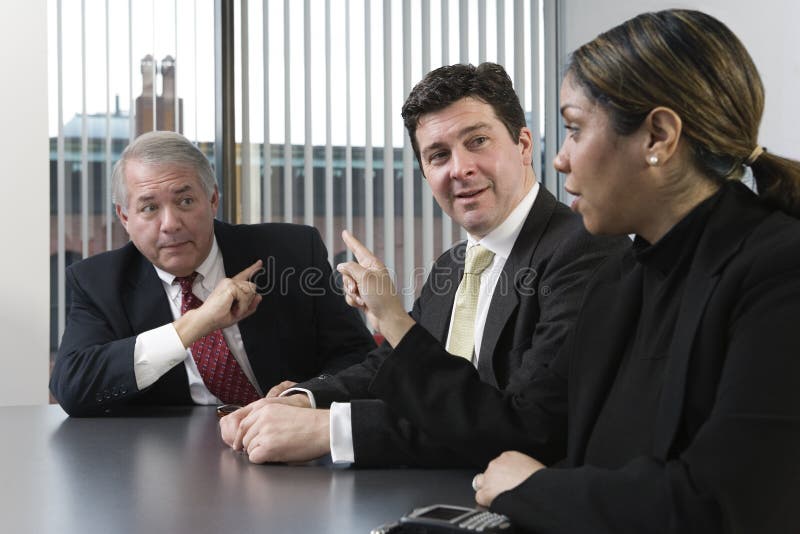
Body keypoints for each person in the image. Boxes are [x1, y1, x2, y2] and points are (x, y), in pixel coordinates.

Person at [336, 9, 800, 532]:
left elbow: (719, 506)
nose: (560, 159)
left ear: (658, 137)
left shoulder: (779, 273)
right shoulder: (621, 282)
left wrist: (534, 490)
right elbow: (543, 436)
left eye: (575, 129)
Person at [219, 63, 629, 466]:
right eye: (438, 155)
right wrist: (303, 400)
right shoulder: (453, 264)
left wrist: (331, 429)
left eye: (478, 141)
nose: (460, 169)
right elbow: (398, 364)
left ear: (523, 145)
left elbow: (527, 426)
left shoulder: (585, 249)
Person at [50, 131, 375, 417]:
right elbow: (73, 386)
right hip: (172, 453)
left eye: (185, 201)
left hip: (292, 442)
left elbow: (358, 357)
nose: (170, 224)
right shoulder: (99, 282)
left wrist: (307, 395)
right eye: (149, 208)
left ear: (213, 199)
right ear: (124, 217)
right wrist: (198, 322)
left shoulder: (292, 252)